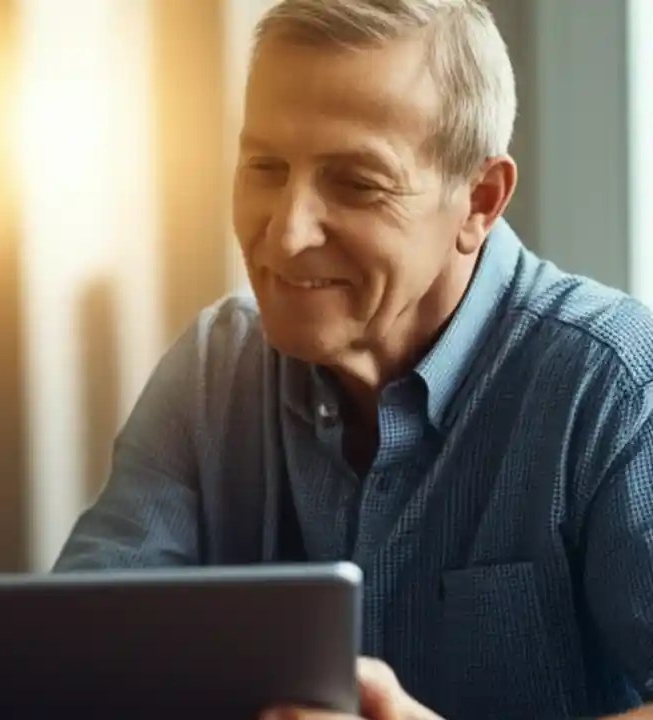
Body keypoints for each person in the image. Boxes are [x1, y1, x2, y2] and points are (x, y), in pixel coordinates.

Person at [55, 1, 653, 718]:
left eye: (356, 183)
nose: (285, 235)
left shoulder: (613, 384)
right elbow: (76, 661)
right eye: (266, 167)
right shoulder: (213, 370)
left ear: (479, 201)